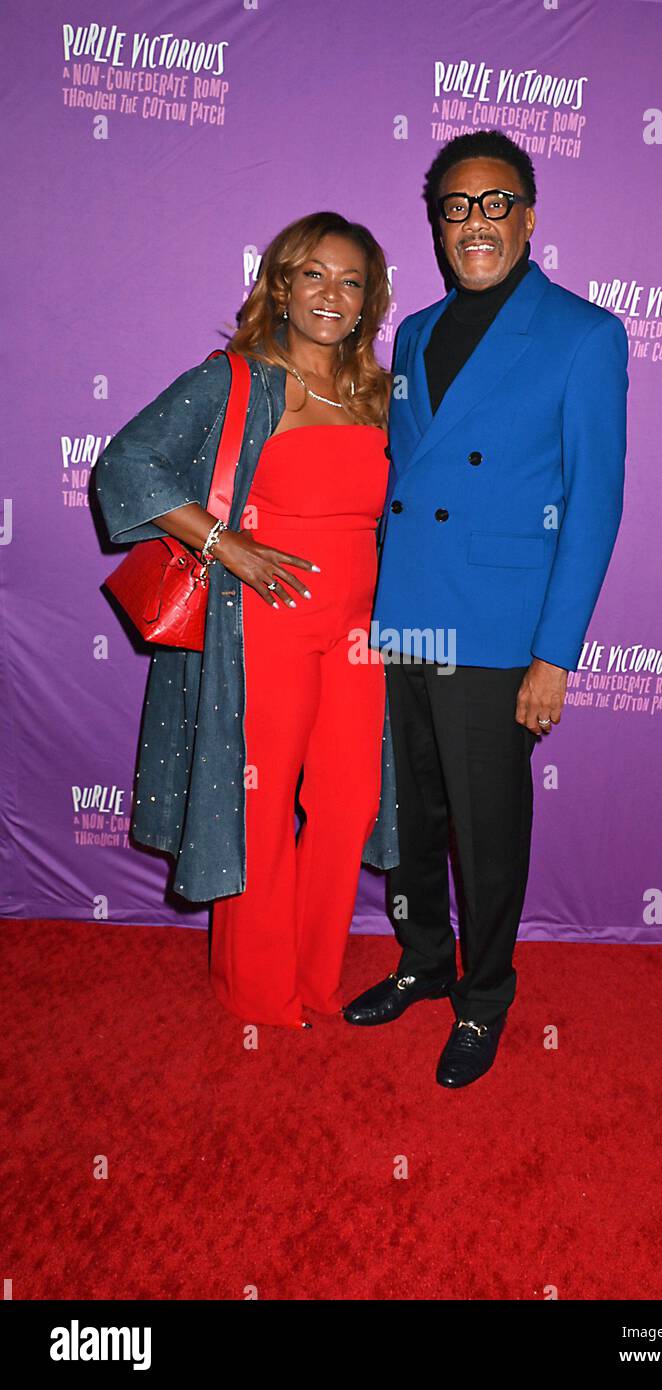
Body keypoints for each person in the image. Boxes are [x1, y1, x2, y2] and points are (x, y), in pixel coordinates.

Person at [344, 131, 630, 1088]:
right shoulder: (417, 330)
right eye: (456, 207)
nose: (475, 223)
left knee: (488, 829)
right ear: (437, 224)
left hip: (501, 630)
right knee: (416, 817)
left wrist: (554, 656)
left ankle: (485, 996)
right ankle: (424, 960)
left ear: (530, 216)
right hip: (409, 615)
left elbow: (592, 506)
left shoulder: (585, 335)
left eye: (495, 203)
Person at [95, 213, 399, 1030]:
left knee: (348, 801)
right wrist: (228, 545)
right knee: (258, 802)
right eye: (314, 275)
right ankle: (256, 985)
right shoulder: (237, 378)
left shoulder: (377, 394)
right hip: (265, 622)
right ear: (282, 285)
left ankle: (314, 973)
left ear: (370, 301)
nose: (332, 295)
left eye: (351, 281)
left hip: (359, 630)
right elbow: (128, 461)